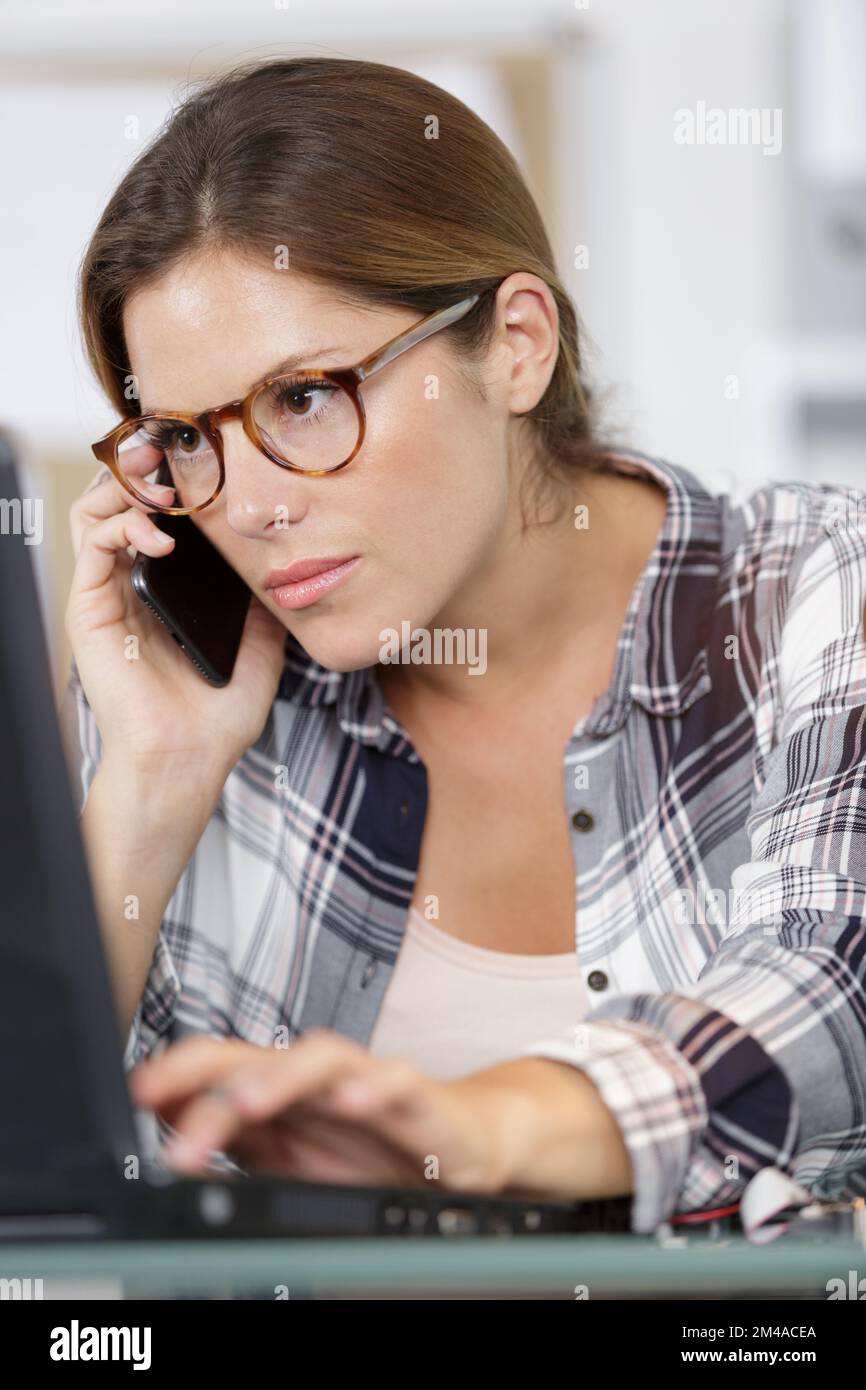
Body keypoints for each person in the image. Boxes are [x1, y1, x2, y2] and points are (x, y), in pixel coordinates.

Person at [64, 56, 866, 1234]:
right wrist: (152, 780)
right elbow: (50, 1175)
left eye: (301, 397)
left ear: (515, 344)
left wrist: (477, 1129)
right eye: (186, 437)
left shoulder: (808, 589)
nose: (246, 504)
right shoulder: (195, 688)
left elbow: (831, 993)